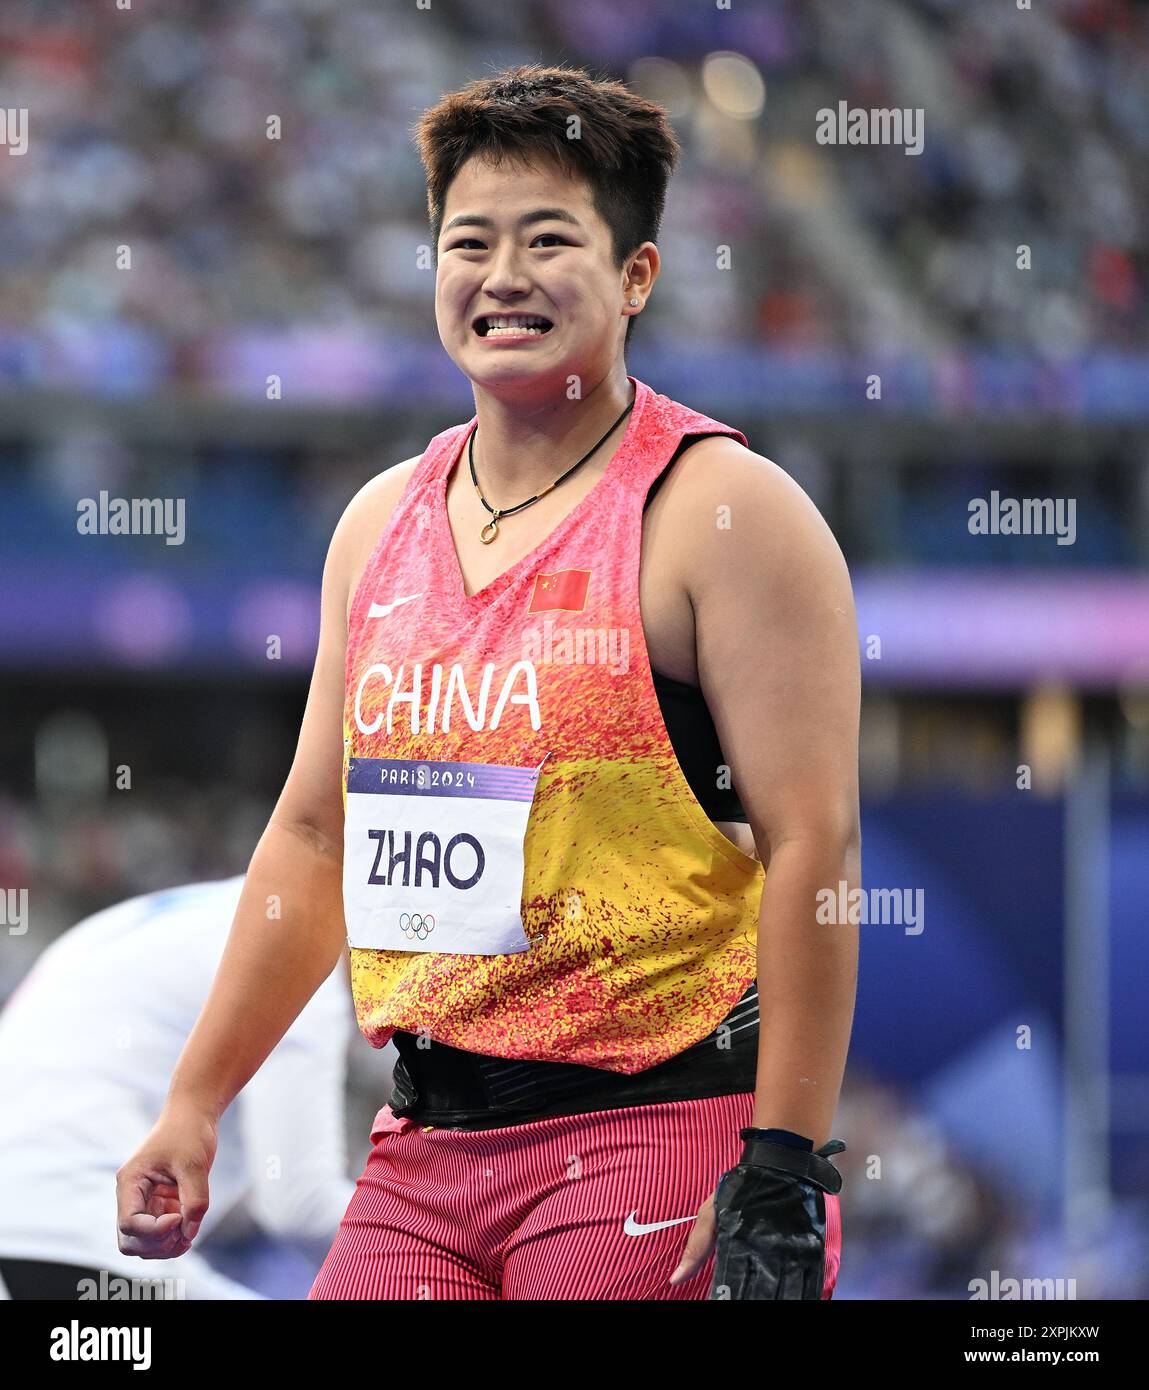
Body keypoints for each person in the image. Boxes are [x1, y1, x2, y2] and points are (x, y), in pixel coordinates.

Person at [117, 63, 861, 1302]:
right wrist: (196, 1104)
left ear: (637, 278)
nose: (501, 273)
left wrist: (781, 1162)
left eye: (548, 239)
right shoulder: (377, 525)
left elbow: (817, 847)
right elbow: (315, 833)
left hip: (655, 1133)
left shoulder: (723, 513)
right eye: (470, 241)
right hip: (426, 1151)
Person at [0, 877, 355, 1300]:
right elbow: (300, 1206)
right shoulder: (296, 945)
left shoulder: (179, 915)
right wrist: (440, 1249)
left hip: (34, 1238)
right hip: (89, 1245)